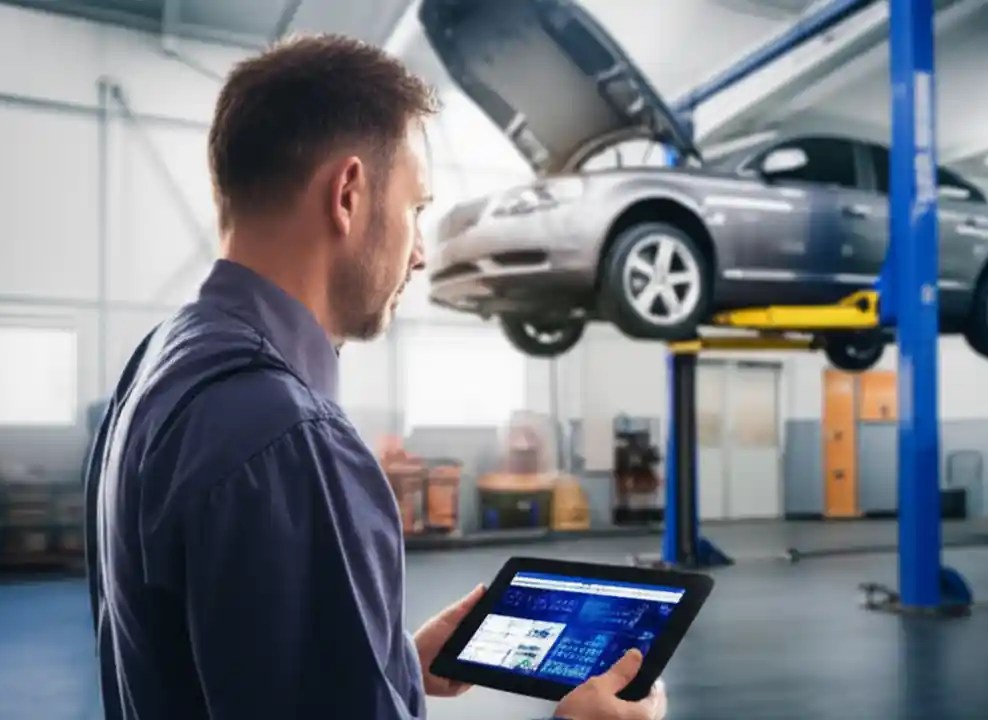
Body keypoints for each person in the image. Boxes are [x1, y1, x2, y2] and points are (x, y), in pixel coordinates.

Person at [83, 33, 668, 720]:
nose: (420, 253)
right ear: (349, 194)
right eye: (416, 209)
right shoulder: (288, 436)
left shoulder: (157, 368)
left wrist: (392, 670)